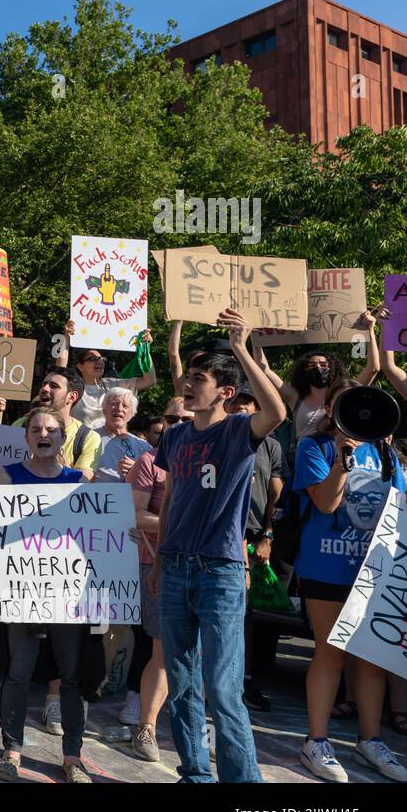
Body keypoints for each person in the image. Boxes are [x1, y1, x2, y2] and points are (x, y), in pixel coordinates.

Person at [151, 308, 284, 783]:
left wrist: (241, 347)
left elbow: (278, 412)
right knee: (182, 685)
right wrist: (160, 557)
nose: (187, 384)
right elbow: (169, 499)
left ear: (225, 392)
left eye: (199, 378)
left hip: (220, 573)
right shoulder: (177, 435)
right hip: (175, 567)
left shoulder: (237, 432)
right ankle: (195, 773)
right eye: (187, 376)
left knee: (222, 690)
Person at [291, 379, 407, 782]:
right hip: (325, 567)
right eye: (345, 405)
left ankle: (370, 740)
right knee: (330, 652)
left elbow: (400, 507)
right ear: (330, 409)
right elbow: (325, 503)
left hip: (373, 569)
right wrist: (343, 461)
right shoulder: (316, 447)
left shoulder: (386, 452)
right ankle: (317, 741)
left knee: (370, 656)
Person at [0, 406, 91, 782]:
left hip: (67, 593)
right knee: (19, 671)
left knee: (71, 674)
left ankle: (72, 757)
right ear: (26, 436)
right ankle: (11, 750)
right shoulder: (8, 476)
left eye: (51, 429)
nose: (43, 434)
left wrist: (124, 538)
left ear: (63, 438)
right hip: (21, 590)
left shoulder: (79, 481)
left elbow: (94, 536)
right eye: (36, 428)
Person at [123, 398, 193, 762]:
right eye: (170, 417)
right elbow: (134, 514)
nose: (176, 422)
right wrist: (181, 528)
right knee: (163, 650)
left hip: (207, 567)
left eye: (184, 416)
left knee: (193, 656)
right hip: (158, 565)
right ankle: (146, 727)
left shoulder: (216, 457)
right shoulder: (150, 461)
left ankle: (181, 729)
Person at [224, 386, 285, 713]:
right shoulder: (219, 437)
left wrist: (267, 537)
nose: (241, 411)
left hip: (251, 535)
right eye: (235, 405)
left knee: (244, 612)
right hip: (219, 534)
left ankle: (243, 680)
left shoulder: (271, 446)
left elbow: (276, 497)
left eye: (248, 406)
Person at [254, 313, 378, 446]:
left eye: (324, 365)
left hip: (335, 458)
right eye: (312, 365)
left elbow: (373, 369)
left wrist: (370, 330)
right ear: (304, 371)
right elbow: (264, 370)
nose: (318, 368)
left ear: (332, 368)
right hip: (303, 459)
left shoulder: (344, 394)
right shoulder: (295, 397)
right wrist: (256, 340)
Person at [53, 321, 156, 428]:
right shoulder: (73, 387)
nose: (100, 362)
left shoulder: (113, 385)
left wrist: (145, 348)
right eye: (93, 359)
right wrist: (67, 337)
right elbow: (60, 370)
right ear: (80, 366)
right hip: (81, 442)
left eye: (102, 359)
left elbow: (150, 380)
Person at [12, 370, 101, 478]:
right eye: (44, 384)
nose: (44, 389)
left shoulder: (88, 438)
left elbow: (82, 489)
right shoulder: (20, 425)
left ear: (71, 397)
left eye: (54, 386)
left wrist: (60, 468)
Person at [93, 387, 151, 483]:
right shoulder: (88, 438)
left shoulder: (144, 447)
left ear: (132, 414)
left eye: (125, 406)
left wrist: (137, 469)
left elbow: (157, 479)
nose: (119, 408)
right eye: (114, 404)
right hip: (97, 496)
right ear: (104, 410)